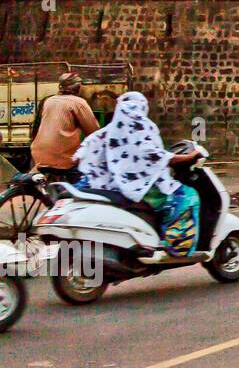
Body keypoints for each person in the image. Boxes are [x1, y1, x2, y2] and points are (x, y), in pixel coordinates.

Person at [74, 92, 203, 257]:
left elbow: (81, 155)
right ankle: (175, 245)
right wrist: (189, 157)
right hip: (141, 189)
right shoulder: (141, 127)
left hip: (109, 187)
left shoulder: (104, 133)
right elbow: (156, 155)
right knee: (187, 196)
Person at [29, 73, 100, 183]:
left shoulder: (49, 101)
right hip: (62, 156)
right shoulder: (78, 103)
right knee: (85, 177)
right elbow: (94, 132)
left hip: (38, 153)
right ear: (78, 87)